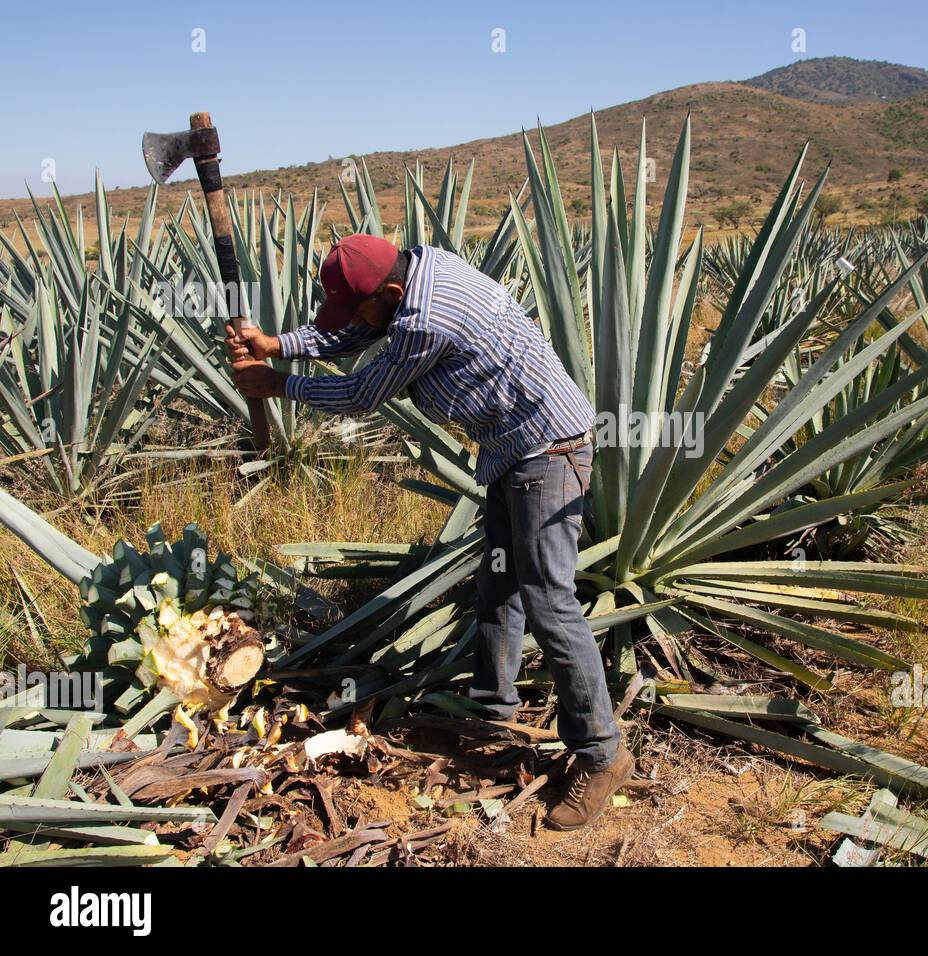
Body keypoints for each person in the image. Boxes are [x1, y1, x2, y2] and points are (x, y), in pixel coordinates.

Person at [227, 233, 633, 830]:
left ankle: (602, 754)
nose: (361, 320)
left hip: (548, 452)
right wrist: (277, 344)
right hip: (513, 449)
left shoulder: (428, 317)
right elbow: (360, 329)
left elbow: (362, 392)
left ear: (392, 292)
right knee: (498, 586)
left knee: (550, 602)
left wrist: (277, 382)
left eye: (365, 306)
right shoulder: (412, 276)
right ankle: (492, 711)